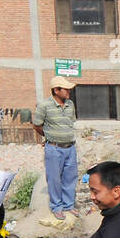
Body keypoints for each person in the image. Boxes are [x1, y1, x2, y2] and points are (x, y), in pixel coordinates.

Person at [32, 75, 79, 225]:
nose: (69, 92)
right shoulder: (44, 105)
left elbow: (70, 122)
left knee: (70, 177)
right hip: (54, 148)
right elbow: (37, 125)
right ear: (56, 90)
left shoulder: (70, 104)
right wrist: (49, 136)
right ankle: (57, 207)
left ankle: (69, 205)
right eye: (66, 89)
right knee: (54, 179)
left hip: (70, 147)